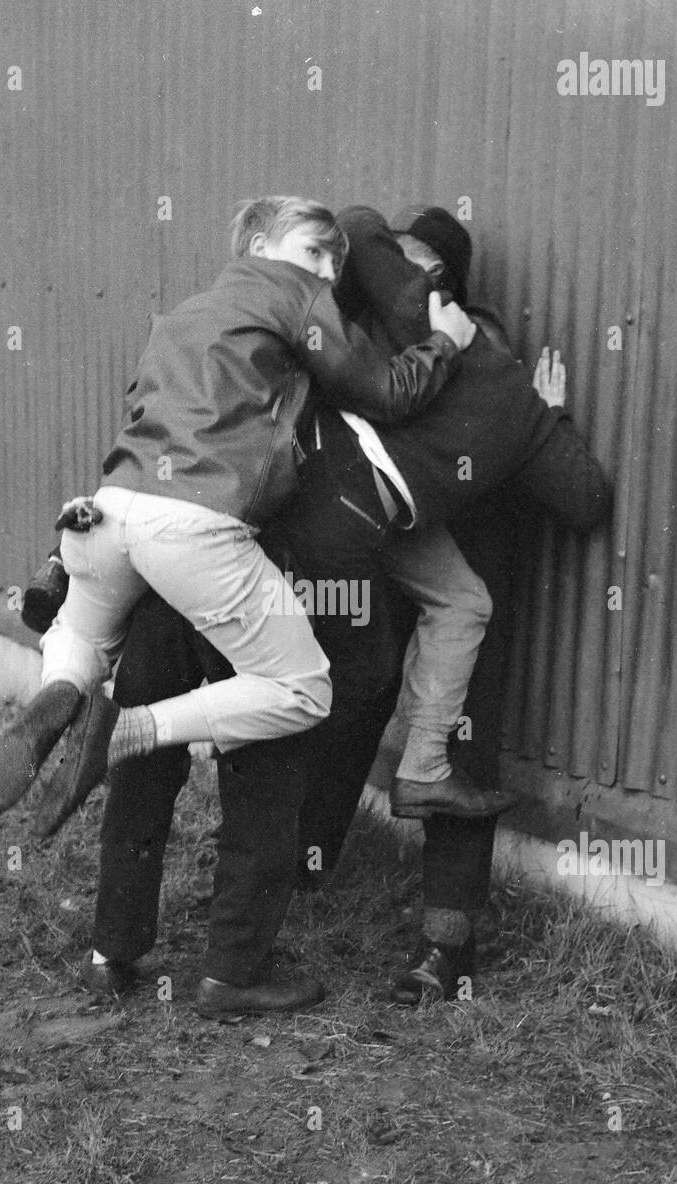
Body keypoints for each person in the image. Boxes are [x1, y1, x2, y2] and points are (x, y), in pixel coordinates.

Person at [37, 203, 612, 1015]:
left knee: (179, 727)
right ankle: (239, 960)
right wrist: (530, 403)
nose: (336, 273)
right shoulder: (349, 325)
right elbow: (578, 493)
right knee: (279, 735)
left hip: (183, 532)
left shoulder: (232, 319)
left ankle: (115, 945)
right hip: (269, 550)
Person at [0, 196, 472, 835]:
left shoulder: (182, 315)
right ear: (259, 247)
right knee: (301, 688)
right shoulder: (294, 298)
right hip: (195, 527)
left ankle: (65, 688)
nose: (326, 272)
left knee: (79, 637)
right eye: (312, 251)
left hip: (111, 512)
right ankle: (125, 731)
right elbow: (387, 391)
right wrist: (445, 344)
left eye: (333, 261)